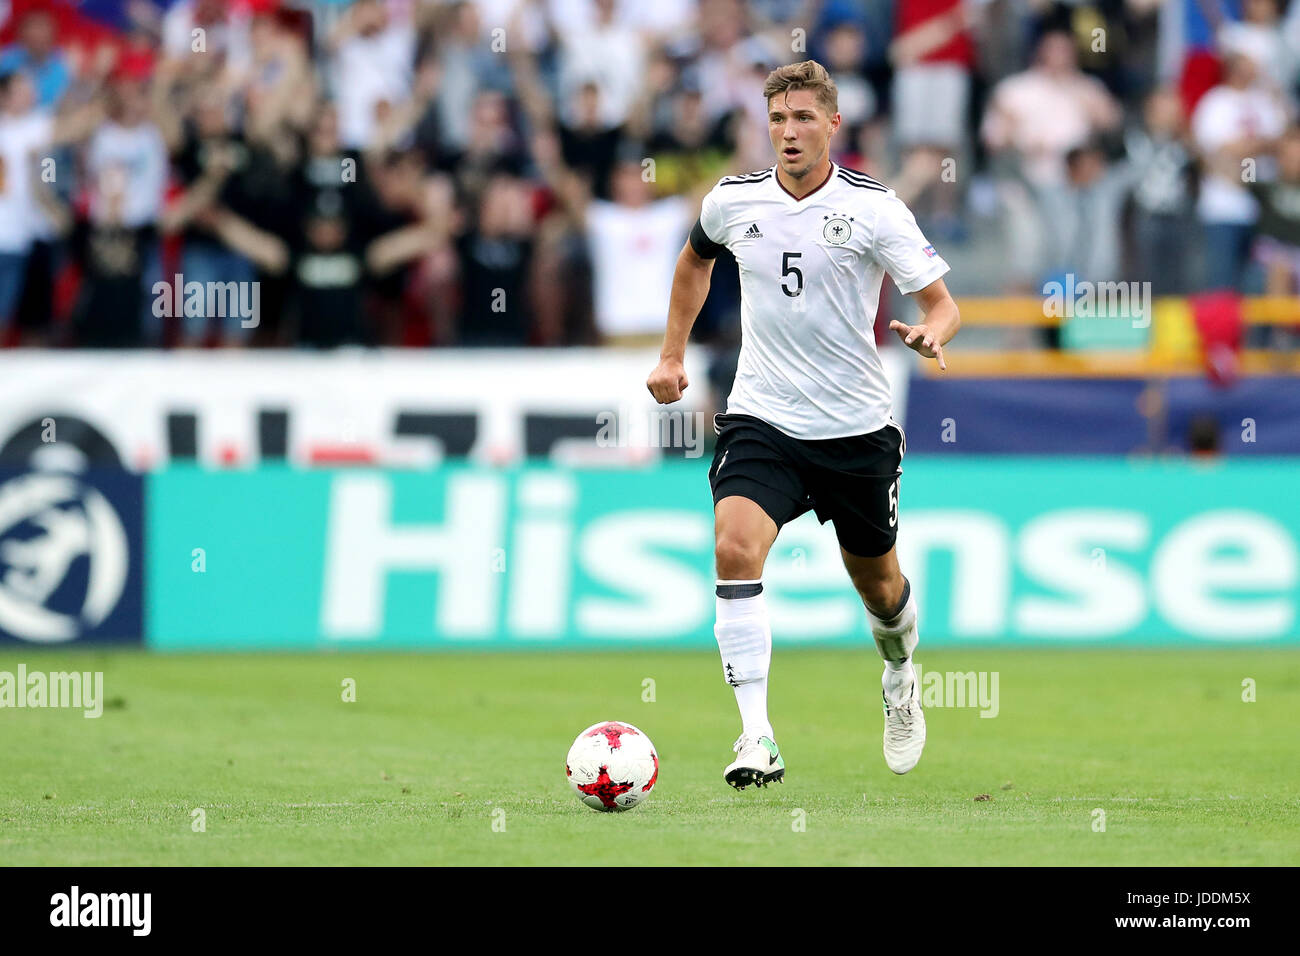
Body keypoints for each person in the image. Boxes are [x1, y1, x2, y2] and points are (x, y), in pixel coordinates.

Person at [645, 60, 960, 788]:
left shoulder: (875, 209)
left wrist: (934, 330)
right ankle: (757, 738)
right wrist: (670, 356)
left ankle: (901, 675)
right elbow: (695, 264)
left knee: (879, 588)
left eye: (804, 119)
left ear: (833, 125)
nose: (789, 132)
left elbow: (942, 302)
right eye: (778, 119)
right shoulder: (732, 201)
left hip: (855, 429)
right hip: (764, 416)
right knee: (733, 546)